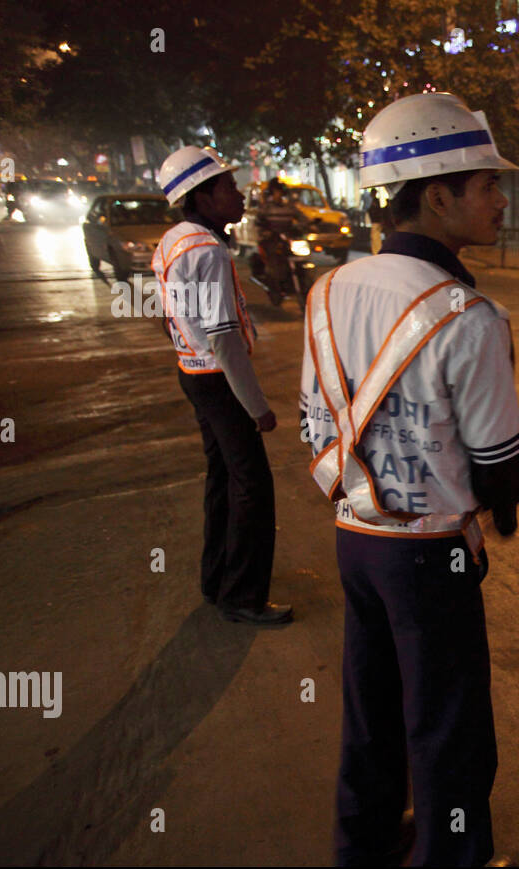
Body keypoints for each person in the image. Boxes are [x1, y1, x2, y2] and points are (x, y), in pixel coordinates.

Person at [301, 92, 519, 867]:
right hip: (433, 556)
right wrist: (500, 510)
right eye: (486, 184)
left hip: (355, 542)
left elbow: (315, 425)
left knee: (371, 716)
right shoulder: (469, 316)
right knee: (450, 736)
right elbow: (504, 467)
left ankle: (360, 851)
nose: (501, 200)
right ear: (438, 197)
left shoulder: (327, 292)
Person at [152, 146, 292, 626]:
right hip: (218, 379)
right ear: (204, 197)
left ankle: (216, 580)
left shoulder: (174, 240)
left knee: (222, 480)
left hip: (191, 372)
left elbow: (174, 313)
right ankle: (243, 596)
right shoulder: (207, 251)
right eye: (228, 187)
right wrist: (257, 408)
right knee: (252, 487)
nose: (239, 194)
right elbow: (225, 340)